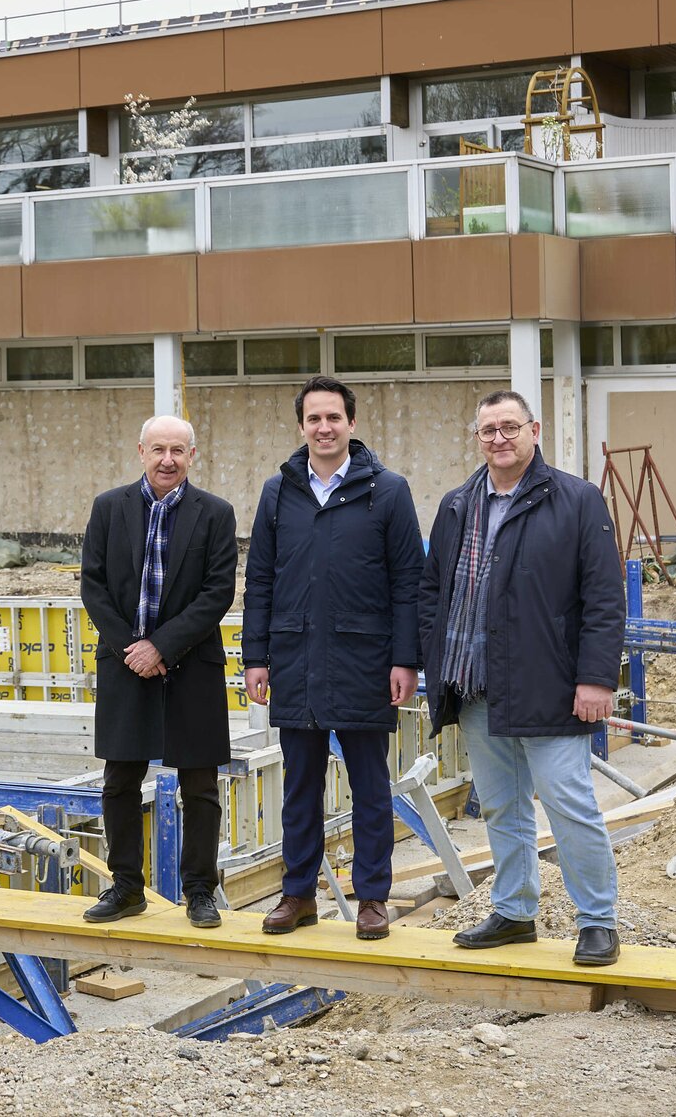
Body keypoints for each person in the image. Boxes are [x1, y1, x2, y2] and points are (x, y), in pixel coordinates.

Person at [416, 390, 626, 966]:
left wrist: (596, 678)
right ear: (477, 437)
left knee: (568, 801)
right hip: (477, 682)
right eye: (489, 431)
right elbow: (433, 589)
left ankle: (598, 920)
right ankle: (513, 911)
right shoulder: (459, 503)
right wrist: (434, 662)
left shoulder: (577, 500)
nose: (499, 439)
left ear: (534, 430)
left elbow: (605, 597)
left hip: (551, 683)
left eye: (510, 427)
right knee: (503, 807)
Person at [243, 376, 422, 942]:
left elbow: (407, 584)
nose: (324, 428)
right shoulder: (279, 492)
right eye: (314, 419)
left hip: (363, 660)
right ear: (302, 427)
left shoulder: (387, 491)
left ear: (352, 424)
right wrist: (256, 657)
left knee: (370, 784)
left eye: (334, 418)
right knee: (300, 785)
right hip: (295, 658)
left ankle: (372, 898)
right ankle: (297, 893)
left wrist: (405, 659)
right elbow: (261, 581)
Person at [79, 415, 239, 927]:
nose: (167, 460)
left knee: (200, 785)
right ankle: (126, 887)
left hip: (191, 662)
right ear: (140, 452)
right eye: (158, 450)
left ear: (193, 455)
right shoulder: (109, 509)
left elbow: (217, 591)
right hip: (125, 663)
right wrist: (134, 647)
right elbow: (93, 585)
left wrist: (162, 648)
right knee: (120, 780)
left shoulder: (215, 513)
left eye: (177, 450)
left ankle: (199, 891)